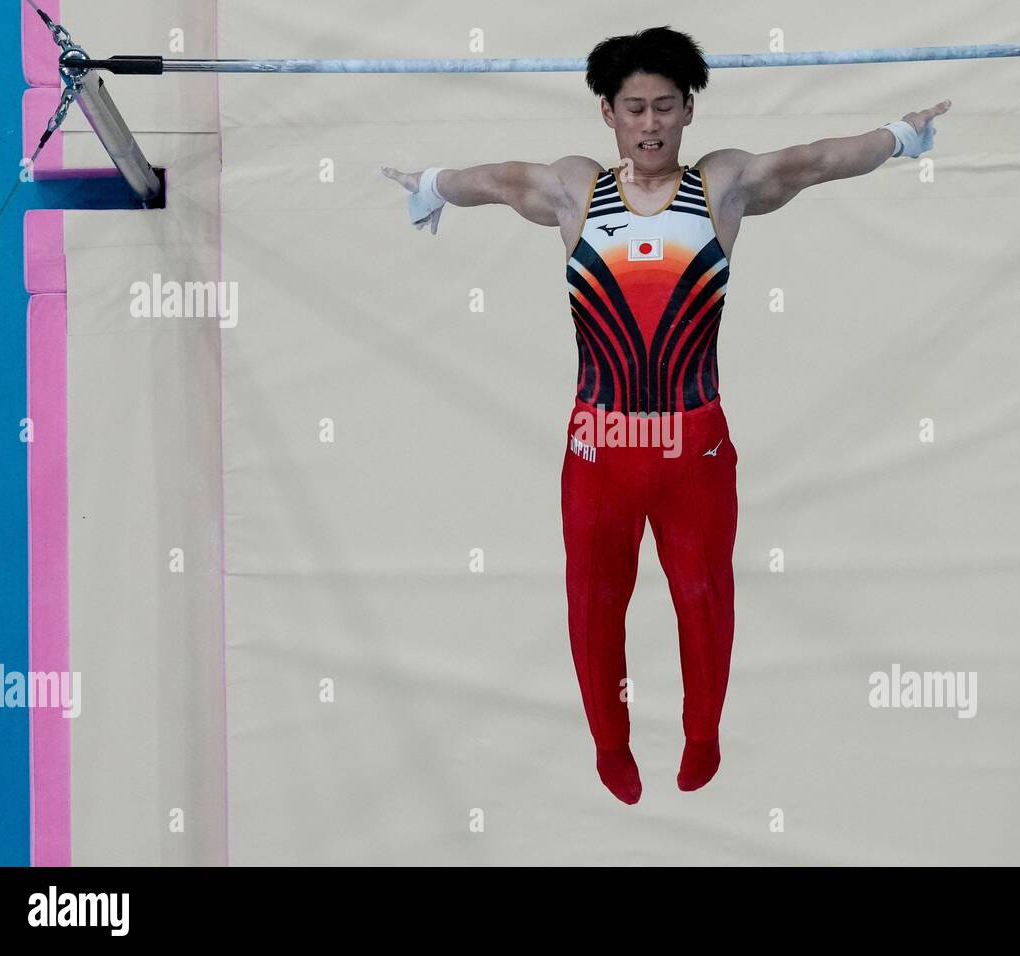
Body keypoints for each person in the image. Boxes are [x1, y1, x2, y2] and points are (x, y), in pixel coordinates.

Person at [382, 25, 949, 805]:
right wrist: (434, 183)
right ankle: (610, 745)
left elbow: (815, 162)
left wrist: (898, 137)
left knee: (703, 594)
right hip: (599, 449)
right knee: (593, 600)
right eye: (635, 108)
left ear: (689, 112)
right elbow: (497, 181)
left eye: (665, 108)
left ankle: (701, 733)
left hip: (695, 451)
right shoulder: (575, 189)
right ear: (607, 115)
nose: (650, 125)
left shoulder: (723, 184)